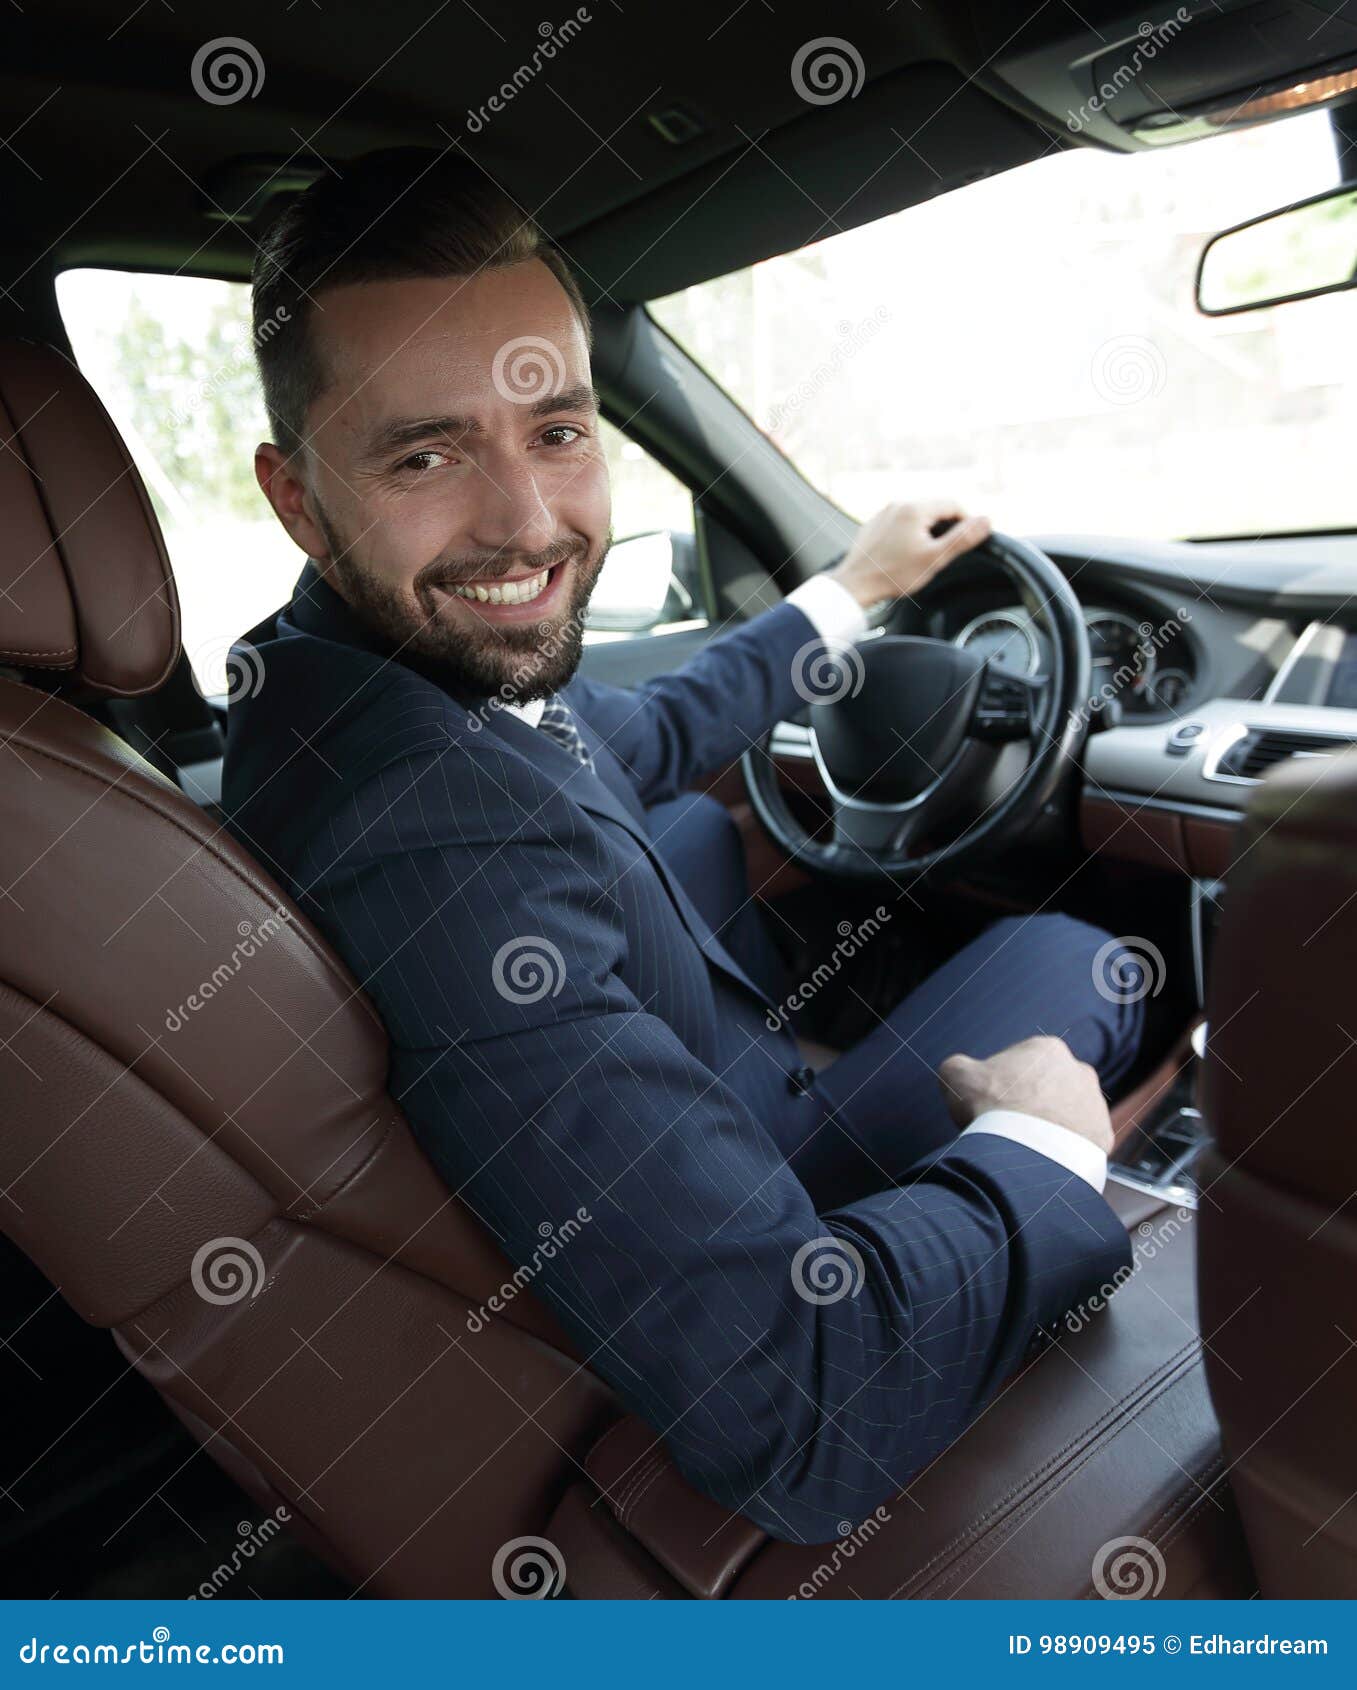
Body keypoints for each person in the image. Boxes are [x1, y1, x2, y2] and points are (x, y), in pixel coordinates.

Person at [223, 147, 1140, 1545]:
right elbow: (802, 1405)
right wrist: (1040, 1147)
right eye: (426, 453)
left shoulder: (343, 670)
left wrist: (849, 591)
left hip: (697, 1137)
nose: (529, 525)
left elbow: (632, 735)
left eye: (558, 432)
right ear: (295, 496)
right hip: (757, 1226)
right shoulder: (433, 830)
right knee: (1083, 959)